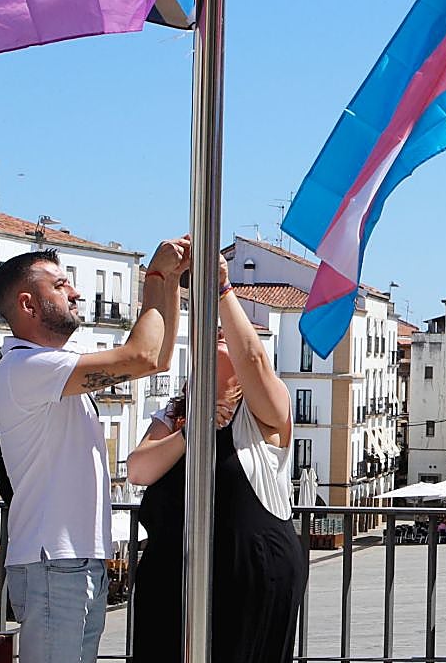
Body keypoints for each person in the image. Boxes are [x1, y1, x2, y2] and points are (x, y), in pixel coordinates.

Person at [0, 238, 185, 663]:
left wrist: (168, 282)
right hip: (53, 563)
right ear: (28, 304)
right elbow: (144, 356)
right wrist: (154, 276)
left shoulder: (51, 369)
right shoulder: (27, 367)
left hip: (72, 561)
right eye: (61, 285)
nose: (76, 293)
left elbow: (160, 357)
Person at [126, 260, 307, 663]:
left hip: (249, 573)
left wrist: (223, 290)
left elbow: (255, 360)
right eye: (214, 336)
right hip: (175, 574)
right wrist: (193, 432)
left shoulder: (262, 415)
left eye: (227, 337)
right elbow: (139, 469)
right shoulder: (175, 414)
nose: (219, 336)